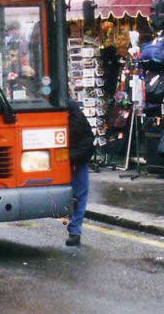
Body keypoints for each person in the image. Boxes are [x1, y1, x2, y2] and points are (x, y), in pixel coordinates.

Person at [65, 92, 95, 246]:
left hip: (76, 155)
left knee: (79, 193)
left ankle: (75, 230)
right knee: (79, 193)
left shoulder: (67, 108)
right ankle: (74, 230)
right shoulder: (72, 108)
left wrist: (71, 157)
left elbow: (80, 138)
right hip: (76, 154)